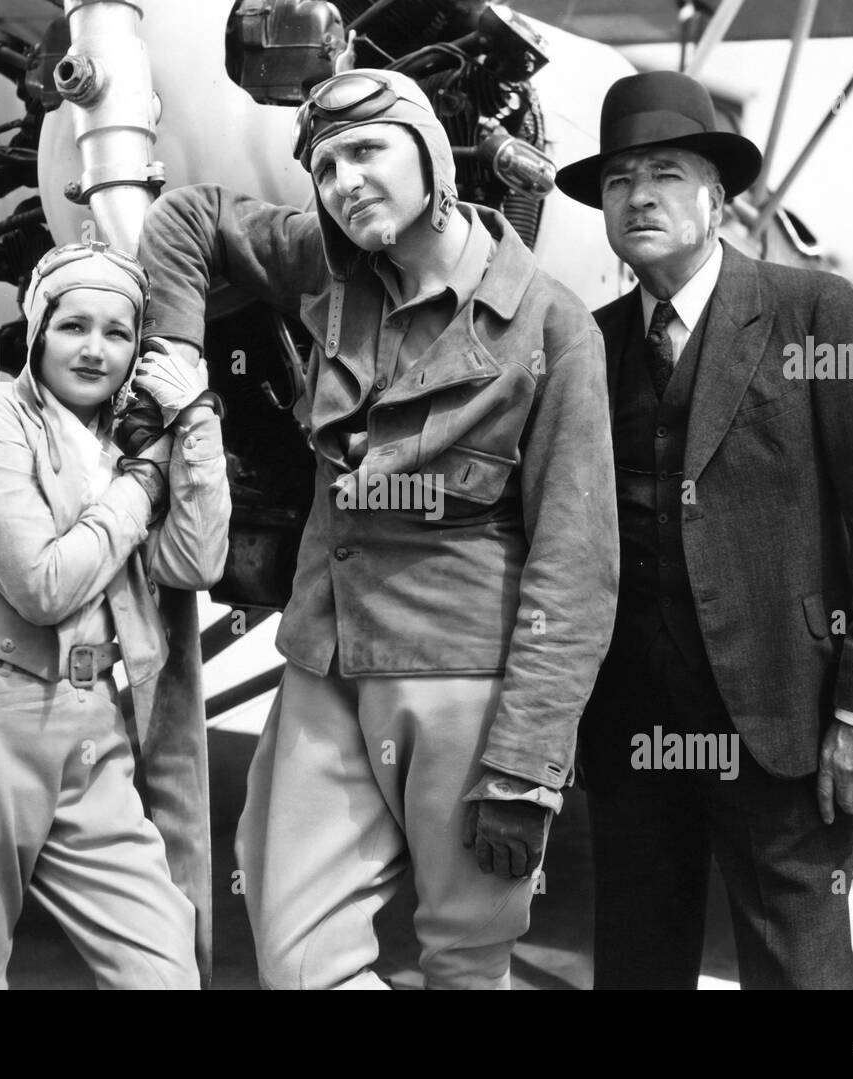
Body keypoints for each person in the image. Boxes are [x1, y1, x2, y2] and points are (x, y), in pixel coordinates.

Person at [139, 68, 617, 989]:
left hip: (463, 682)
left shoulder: (552, 325)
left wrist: (525, 769)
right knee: (295, 954)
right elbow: (188, 215)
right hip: (326, 659)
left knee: (467, 958)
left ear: (434, 157)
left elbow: (577, 564)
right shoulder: (328, 263)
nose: (343, 180)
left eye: (367, 151)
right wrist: (175, 371)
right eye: (322, 167)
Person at [556, 70, 853, 989]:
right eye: (618, 182)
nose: (638, 195)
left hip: (788, 728)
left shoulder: (818, 312)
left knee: (799, 970)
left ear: (718, 199)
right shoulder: (586, 342)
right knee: (636, 967)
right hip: (632, 732)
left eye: (664, 173)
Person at [0, 241, 230, 989]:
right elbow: (43, 584)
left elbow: (197, 564)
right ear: (38, 330)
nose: (96, 350)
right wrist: (143, 481)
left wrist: (195, 422)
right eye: (74, 326)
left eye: (118, 331)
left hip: (96, 729)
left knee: (163, 969)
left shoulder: (130, 439)